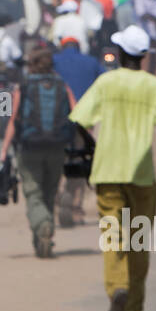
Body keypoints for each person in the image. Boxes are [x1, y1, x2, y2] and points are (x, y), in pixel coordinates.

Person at [68, 24, 156, 311]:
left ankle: (117, 287)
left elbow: (79, 120)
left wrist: (93, 146)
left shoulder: (106, 83)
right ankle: (133, 307)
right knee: (138, 241)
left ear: (119, 53)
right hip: (142, 176)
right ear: (143, 56)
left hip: (108, 172)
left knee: (113, 237)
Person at [0, 42, 75, 257]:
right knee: (50, 192)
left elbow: (13, 120)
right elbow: (77, 113)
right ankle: (44, 237)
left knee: (33, 193)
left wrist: (4, 149)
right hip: (57, 147)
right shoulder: (62, 85)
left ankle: (43, 225)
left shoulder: (22, 88)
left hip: (30, 148)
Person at [52, 37, 103, 226]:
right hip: (84, 121)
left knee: (58, 160)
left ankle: (58, 196)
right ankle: (75, 205)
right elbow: (105, 81)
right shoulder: (91, 62)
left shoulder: (53, 61)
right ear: (79, 47)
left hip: (57, 123)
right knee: (80, 161)